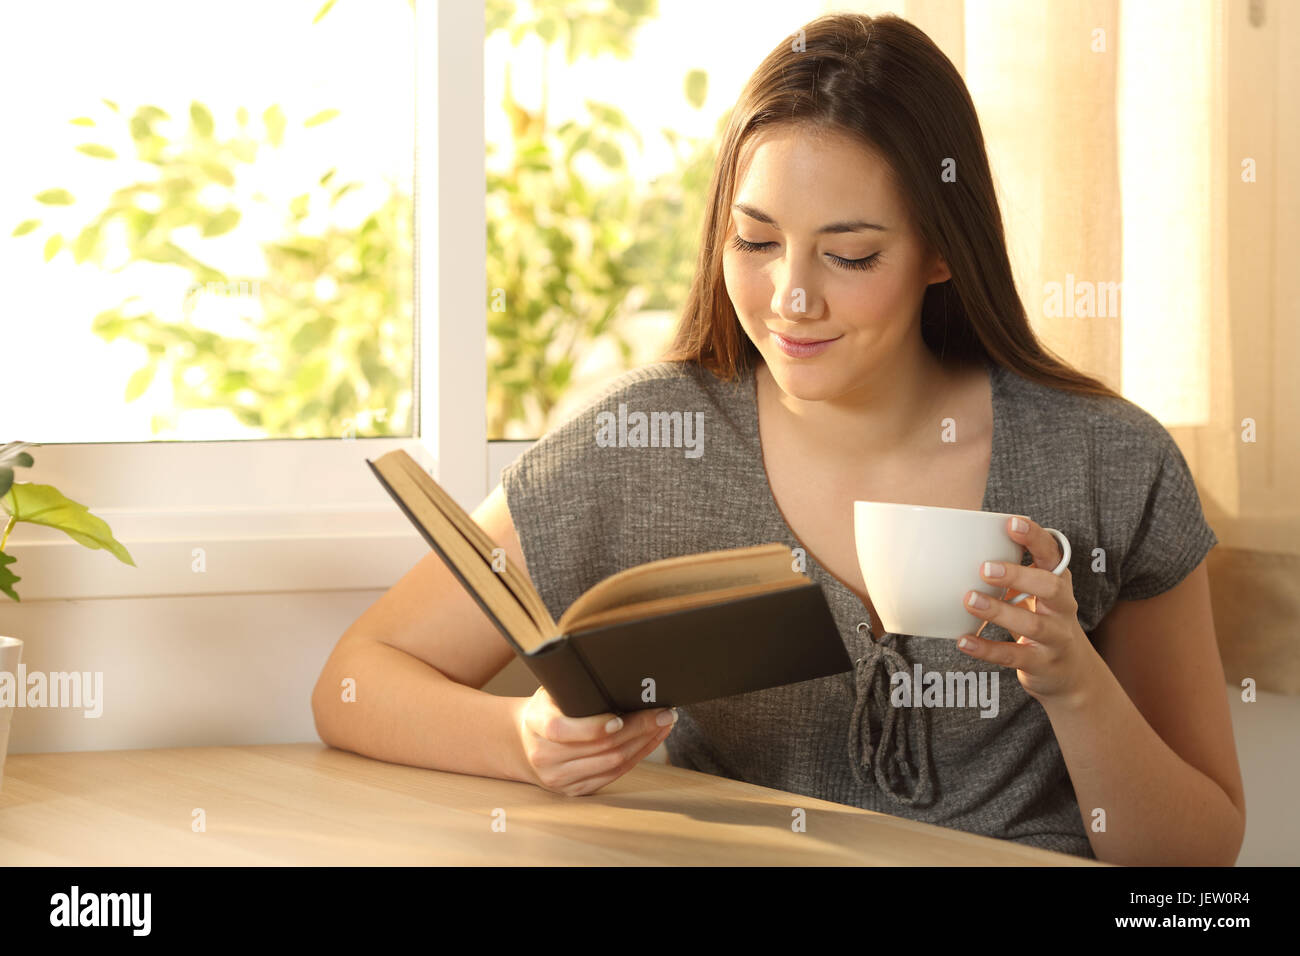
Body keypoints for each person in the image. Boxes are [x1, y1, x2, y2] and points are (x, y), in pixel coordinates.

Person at [313, 12, 1245, 865]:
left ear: (942, 251)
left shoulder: (1109, 462)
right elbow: (357, 681)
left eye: (850, 256)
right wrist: (524, 742)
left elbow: (1200, 856)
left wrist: (1074, 682)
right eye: (755, 242)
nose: (791, 299)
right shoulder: (648, 442)